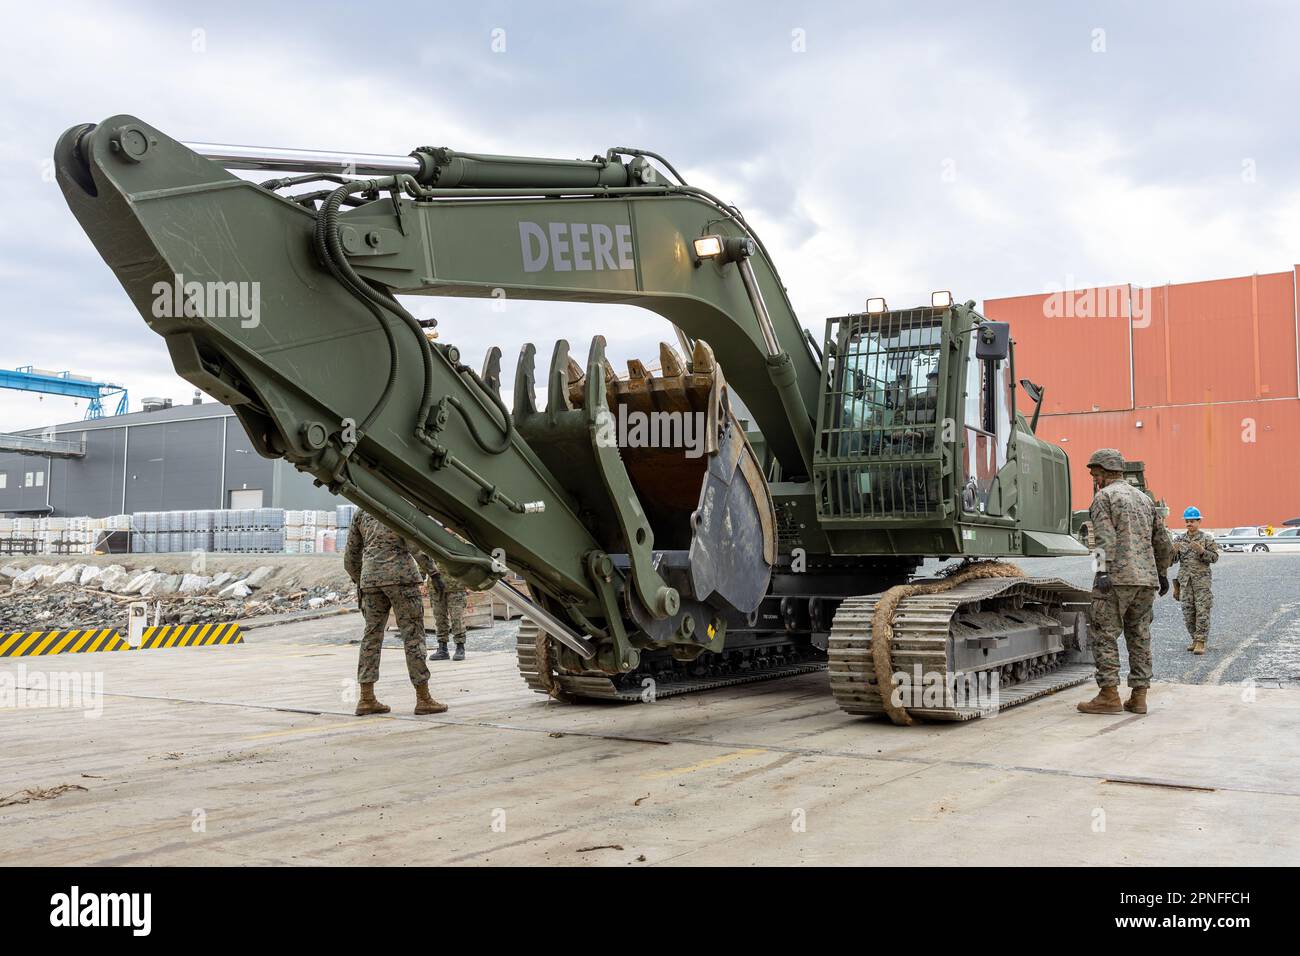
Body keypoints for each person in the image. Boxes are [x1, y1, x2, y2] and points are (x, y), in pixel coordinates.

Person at [1077, 448, 1173, 716]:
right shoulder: (1144, 499)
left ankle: (1109, 696)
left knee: (1104, 634)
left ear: (1103, 472)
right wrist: (1162, 573)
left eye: (1095, 474)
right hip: (1146, 580)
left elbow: (1103, 537)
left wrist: (1101, 571)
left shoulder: (1104, 497)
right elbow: (1162, 540)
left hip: (1116, 579)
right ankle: (1139, 698)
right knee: (1139, 636)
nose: (1094, 479)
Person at [343, 509, 448, 716]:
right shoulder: (396, 507)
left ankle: (366, 698)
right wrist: (434, 573)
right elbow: (414, 543)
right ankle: (423, 698)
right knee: (413, 636)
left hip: (370, 581)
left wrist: (362, 578)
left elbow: (350, 556)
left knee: (371, 638)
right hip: (402, 578)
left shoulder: (361, 513)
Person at [1171, 506, 1219, 655]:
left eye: (1192, 521)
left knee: (1202, 611)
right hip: (1185, 582)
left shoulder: (1206, 539)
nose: (1189, 524)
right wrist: (1173, 552)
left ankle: (1201, 641)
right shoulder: (1179, 539)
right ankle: (1194, 638)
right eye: (1187, 521)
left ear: (1199, 522)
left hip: (1201, 582)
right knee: (1188, 612)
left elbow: (1215, 558)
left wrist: (1202, 551)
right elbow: (1172, 561)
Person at [427, 558, 469, 661]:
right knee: (439, 618)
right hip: (436, 586)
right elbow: (425, 558)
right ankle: (442, 648)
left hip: (456, 586)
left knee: (457, 618)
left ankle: (460, 647)